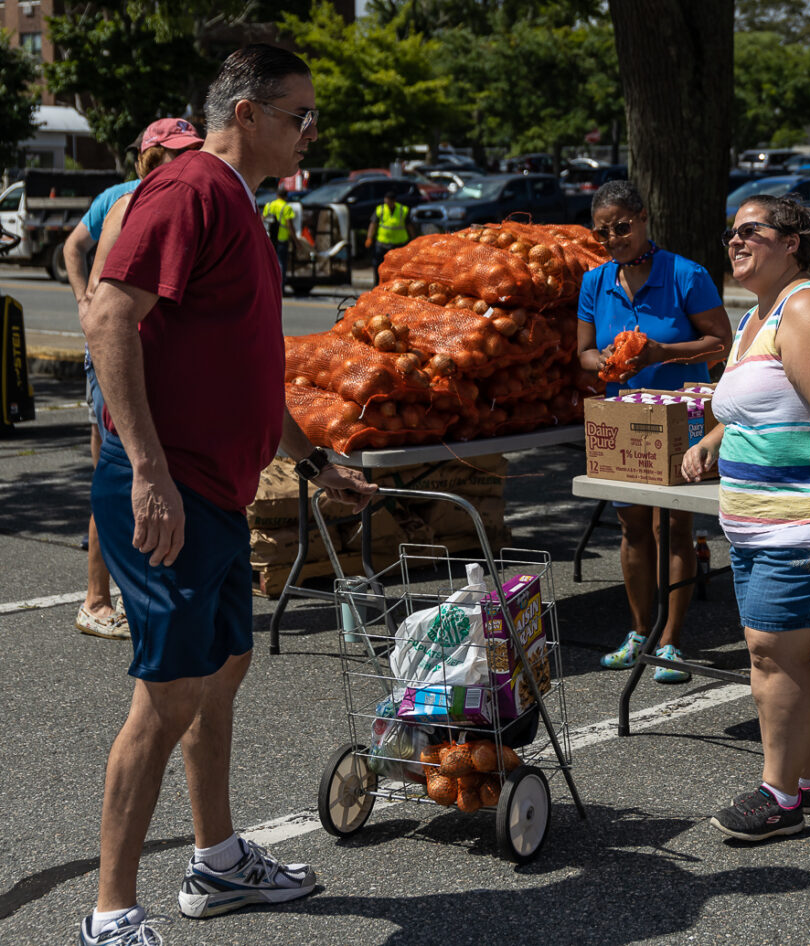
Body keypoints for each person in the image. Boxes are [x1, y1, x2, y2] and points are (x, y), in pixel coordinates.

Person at [79, 45, 376, 946]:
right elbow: (105, 314)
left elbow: (243, 370)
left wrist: (312, 460)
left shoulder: (240, 205)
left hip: (215, 491)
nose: (309, 133)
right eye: (299, 115)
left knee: (220, 677)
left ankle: (217, 863)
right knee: (168, 697)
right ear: (246, 112)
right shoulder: (191, 190)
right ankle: (109, 916)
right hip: (170, 490)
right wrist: (148, 468)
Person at [682, 194, 810, 841]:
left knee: (774, 654)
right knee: (782, 656)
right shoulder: (759, 316)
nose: (735, 242)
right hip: (760, 524)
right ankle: (807, 780)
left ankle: (780, 797)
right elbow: (757, 401)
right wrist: (712, 439)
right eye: (731, 232)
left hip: (804, 523)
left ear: (793, 241)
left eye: (751, 231)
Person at [577, 179, 732, 682]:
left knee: (676, 527)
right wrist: (604, 361)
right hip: (625, 420)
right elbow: (583, 352)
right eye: (603, 232)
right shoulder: (595, 283)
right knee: (633, 527)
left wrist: (662, 353)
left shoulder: (686, 275)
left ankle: (672, 643)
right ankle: (639, 633)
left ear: (643, 218)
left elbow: (720, 343)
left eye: (622, 226)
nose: (614, 239)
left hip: (679, 416)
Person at [63, 117, 205, 641]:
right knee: (118, 470)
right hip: (117, 358)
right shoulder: (125, 199)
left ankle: (137, 593)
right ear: (148, 158)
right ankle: (96, 599)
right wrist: (84, 302)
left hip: (150, 361)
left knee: (143, 476)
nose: (185, 158)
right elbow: (75, 253)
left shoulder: (190, 196)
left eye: (191, 148)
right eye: (174, 151)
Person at [365, 189, 411, 285]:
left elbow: (409, 226)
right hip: (382, 243)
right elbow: (373, 224)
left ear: (394, 201)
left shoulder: (402, 210)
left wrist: (413, 240)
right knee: (378, 265)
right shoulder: (380, 209)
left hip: (399, 244)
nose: (388, 202)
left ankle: (396, 285)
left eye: (390, 201)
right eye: (386, 200)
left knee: (398, 267)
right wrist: (369, 237)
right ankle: (377, 284)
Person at [262, 183, 306, 277]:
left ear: (277, 195)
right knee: (281, 265)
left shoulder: (268, 206)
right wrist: (296, 242)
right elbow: (290, 226)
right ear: (286, 196)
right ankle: (280, 289)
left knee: (269, 265)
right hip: (282, 240)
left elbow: (261, 221)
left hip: (269, 239)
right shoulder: (286, 207)